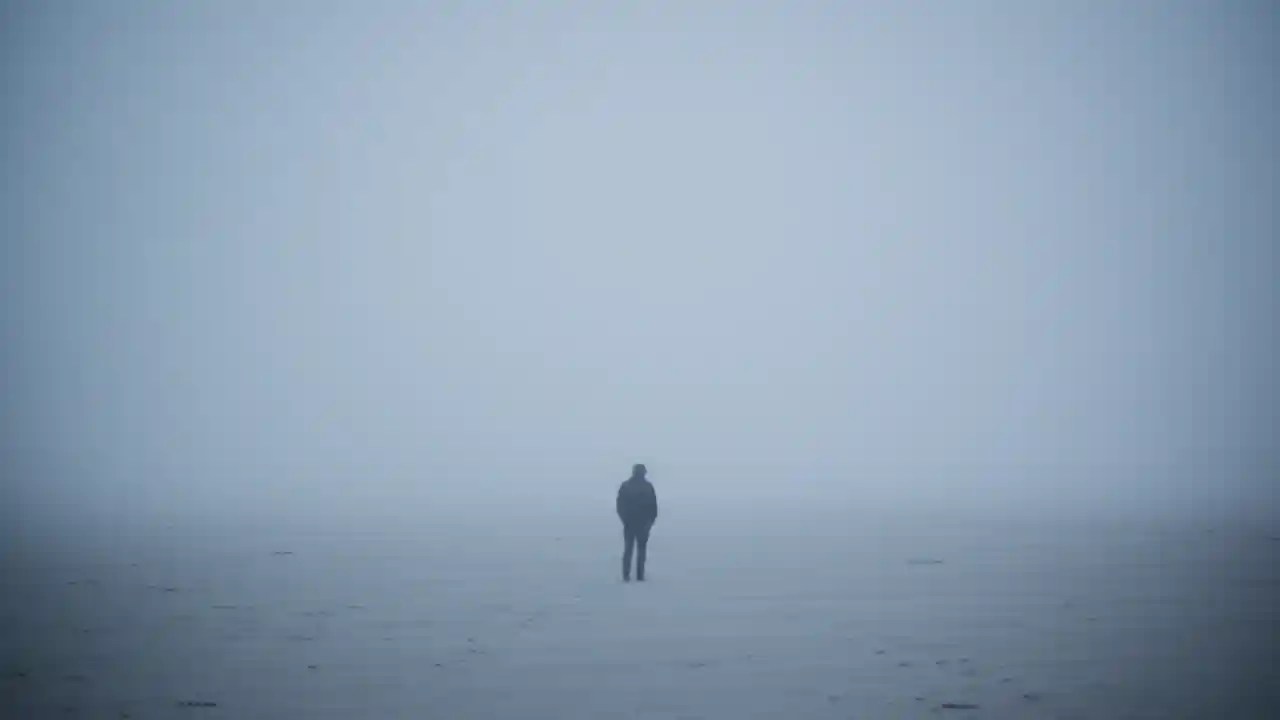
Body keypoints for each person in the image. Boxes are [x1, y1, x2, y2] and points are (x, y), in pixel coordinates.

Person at [616, 463, 658, 582]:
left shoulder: (626, 486)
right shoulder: (647, 487)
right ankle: (639, 575)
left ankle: (627, 575)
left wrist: (625, 520)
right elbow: (653, 507)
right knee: (640, 550)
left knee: (629, 550)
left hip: (631, 523)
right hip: (641, 524)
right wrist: (650, 522)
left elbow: (620, 506)